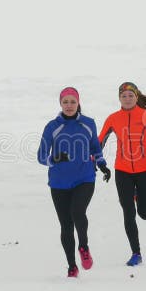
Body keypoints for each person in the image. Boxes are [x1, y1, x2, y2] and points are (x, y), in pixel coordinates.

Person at [38, 87, 111, 278]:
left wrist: (102, 165)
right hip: (59, 182)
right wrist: (54, 159)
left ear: (78, 103)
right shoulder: (52, 127)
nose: (69, 105)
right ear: (60, 104)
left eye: (73, 102)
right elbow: (41, 156)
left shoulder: (88, 123)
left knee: (77, 212)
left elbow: (95, 148)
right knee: (66, 225)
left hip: (84, 177)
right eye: (65, 102)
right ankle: (72, 266)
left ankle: (84, 247)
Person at [98, 82, 146, 266]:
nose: (127, 99)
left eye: (130, 96)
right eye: (123, 96)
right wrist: (95, 161)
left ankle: (138, 195)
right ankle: (136, 253)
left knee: (145, 214)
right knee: (128, 212)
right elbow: (99, 142)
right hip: (122, 171)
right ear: (119, 98)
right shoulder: (113, 118)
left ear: (136, 97)